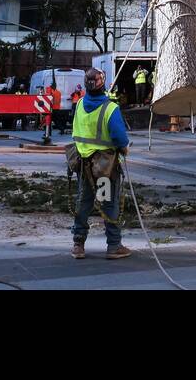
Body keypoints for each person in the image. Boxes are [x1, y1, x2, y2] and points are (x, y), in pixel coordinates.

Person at [70, 67, 132, 259]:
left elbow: (75, 131)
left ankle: (78, 244)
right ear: (102, 84)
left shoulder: (80, 104)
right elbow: (119, 137)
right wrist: (124, 148)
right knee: (108, 203)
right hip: (104, 168)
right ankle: (113, 246)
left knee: (83, 202)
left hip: (83, 164)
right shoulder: (110, 108)